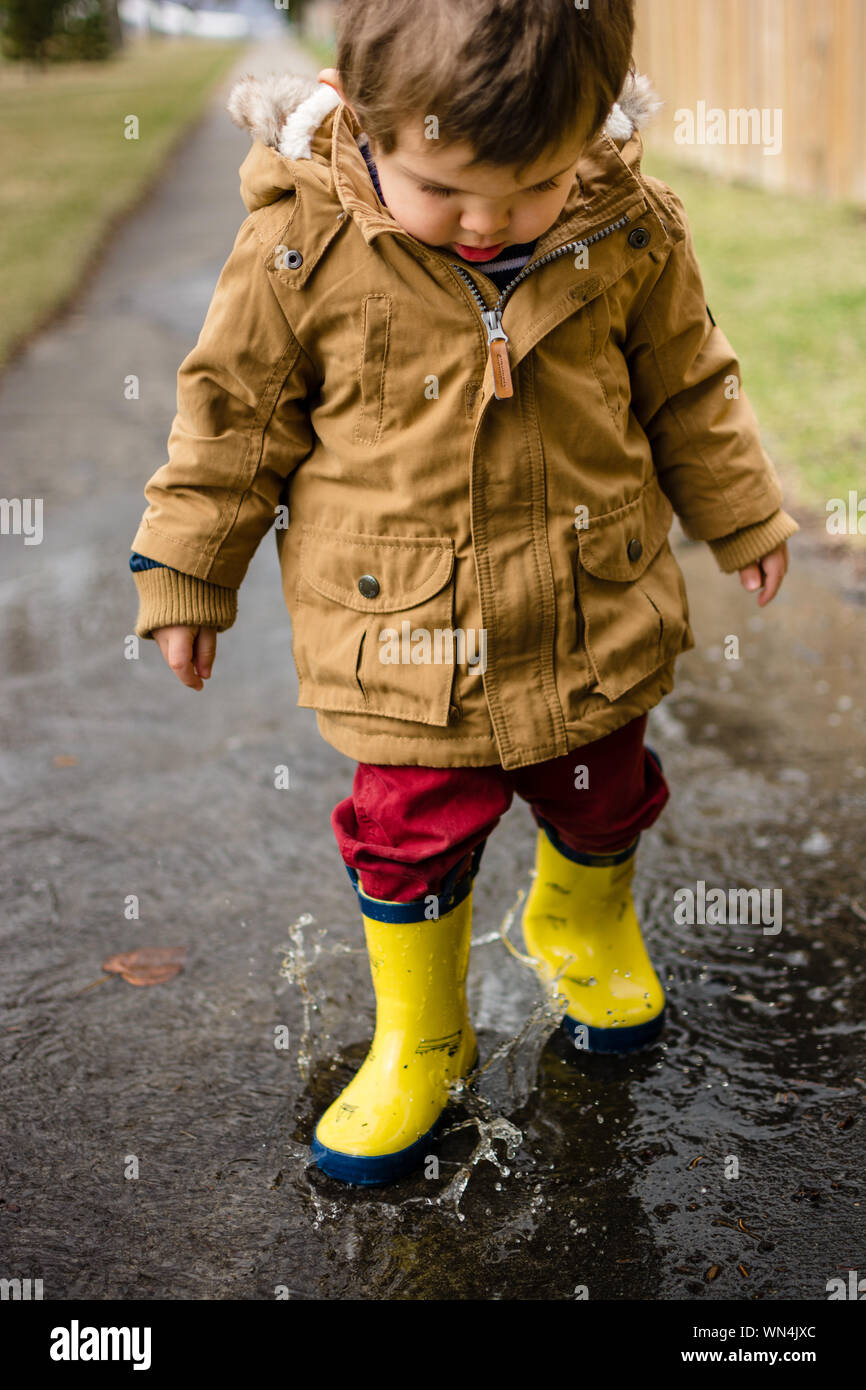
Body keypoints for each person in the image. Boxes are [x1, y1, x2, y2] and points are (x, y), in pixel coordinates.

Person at [128, 0, 798, 1186]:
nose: (487, 224)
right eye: (443, 191)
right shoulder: (304, 244)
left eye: (531, 187)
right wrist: (188, 566)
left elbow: (690, 383)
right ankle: (419, 1035)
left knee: (603, 793)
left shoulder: (627, 229)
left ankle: (579, 922)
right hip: (402, 638)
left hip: (590, 615)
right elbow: (232, 420)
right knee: (406, 836)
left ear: (591, 130)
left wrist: (739, 508)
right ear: (368, 120)